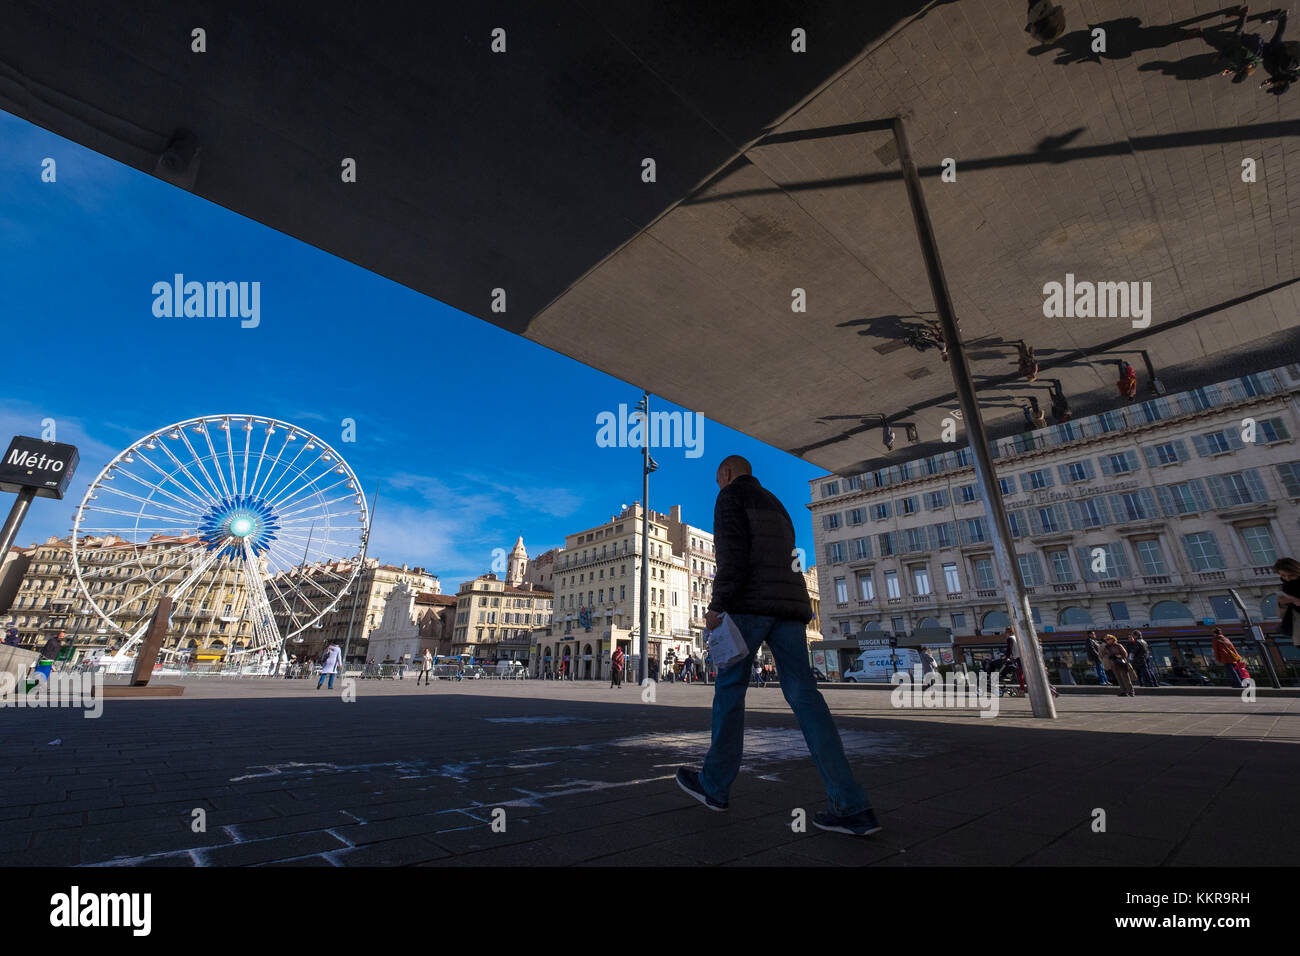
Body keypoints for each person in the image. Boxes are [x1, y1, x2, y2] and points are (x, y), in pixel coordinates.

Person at [676, 455, 878, 836]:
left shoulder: (730, 497)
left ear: (727, 474)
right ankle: (851, 804)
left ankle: (715, 786)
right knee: (806, 697)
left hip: (749, 607)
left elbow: (731, 556)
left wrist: (717, 606)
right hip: (788, 611)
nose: (718, 484)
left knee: (730, 691)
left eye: (719, 478)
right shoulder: (777, 504)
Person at [1260, 10, 1299, 91]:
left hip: (1283, 52)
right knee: (1275, 41)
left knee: (1267, 45)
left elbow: (1281, 76)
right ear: (1281, 84)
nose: (1273, 85)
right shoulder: (1292, 76)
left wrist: (1271, 80)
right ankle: (1283, 17)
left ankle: (1283, 18)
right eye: (1274, 86)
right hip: (1289, 51)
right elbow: (1284, 64)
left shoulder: (1288, 78)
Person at [1273, 557, 1300, 646]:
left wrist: (1297, 601)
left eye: (1291, 575)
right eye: (1283, 576)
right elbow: (1280, 615)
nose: (1287, 579)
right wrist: (1282, 605)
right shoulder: (1284, 588)